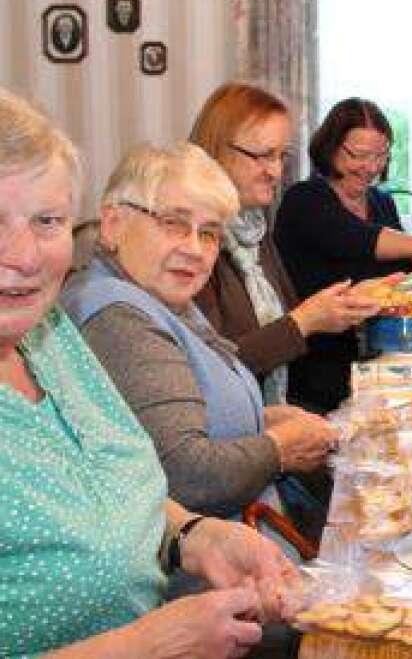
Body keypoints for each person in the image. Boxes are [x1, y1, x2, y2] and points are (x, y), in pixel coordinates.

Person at [0, 87, 293, 657]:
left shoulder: (49, 338)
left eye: (48, 220)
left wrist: (193, 535)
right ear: (111, 224)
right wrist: (152, 643)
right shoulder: (108, 313)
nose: (27, 255)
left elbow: (115, 489)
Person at [61, 142, 339, 537]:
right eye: (174, 222)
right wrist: (279, 448)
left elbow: (190, 416)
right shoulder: (116, 316)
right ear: (112, 223)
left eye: (209, 233)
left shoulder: (159, 293)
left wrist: (262, 419)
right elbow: (185, 475)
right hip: (206, 574)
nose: (194, 249)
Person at [190, 82, 386, 407]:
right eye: (264, 156)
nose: (277, 171)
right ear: (217, 152)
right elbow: (212, 370)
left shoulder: (254, 229)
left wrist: (350, 300)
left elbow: (291, 315)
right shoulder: (194, 243)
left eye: (282, 156)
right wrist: (307, 320)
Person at [275, 97, 412, 413]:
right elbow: (353, 238)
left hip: (383, 363)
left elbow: (400, 273)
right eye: (358, 155)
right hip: (318, 372)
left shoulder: (382, 203)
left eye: (380, 156)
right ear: (330, 147)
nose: (370, 167)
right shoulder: (304, 199)